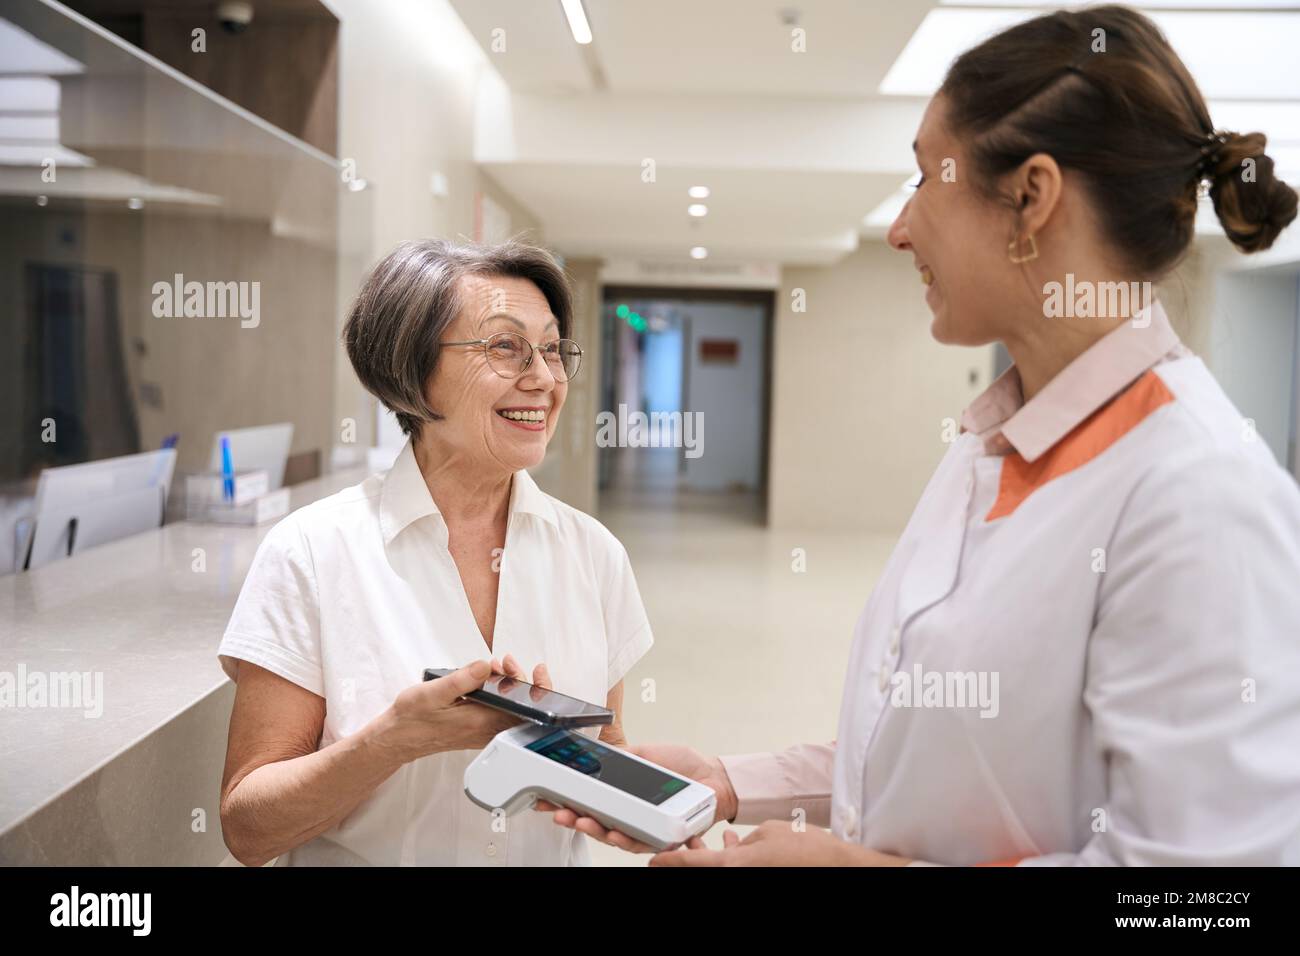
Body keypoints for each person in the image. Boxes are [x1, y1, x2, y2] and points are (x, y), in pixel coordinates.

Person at [545, 4, 1300, 866]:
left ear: (1031, 199)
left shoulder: (1200, 492)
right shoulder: (993, 443)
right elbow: (930, 765)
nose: (900, 227)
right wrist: (729, 781)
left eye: (923, 178)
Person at [218, 238, 653, 866]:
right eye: (506, 346)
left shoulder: (595, 555)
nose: (543, 379)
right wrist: (393, 742)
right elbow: (249, 829)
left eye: (553, 349)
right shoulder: (311, 553)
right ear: (412, 367)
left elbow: (608, 746)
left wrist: (643, 799)